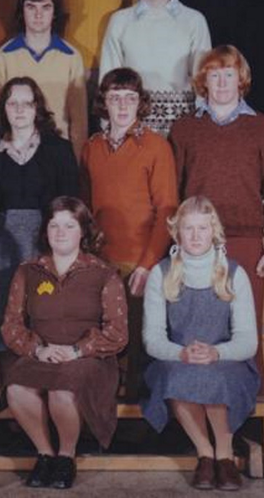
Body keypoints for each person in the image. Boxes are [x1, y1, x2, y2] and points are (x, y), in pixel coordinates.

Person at [169, 44, 264, 395]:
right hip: (196, 244)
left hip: (247, 242)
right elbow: (172, 192)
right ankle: (200, 404)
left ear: (241, 79)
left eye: (229, 74)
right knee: (201, 326)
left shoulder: (263, 128)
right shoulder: (186, 129)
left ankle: (251, 404)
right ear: (204, 82)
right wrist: (175, 244)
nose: (221, 82)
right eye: (214, 75)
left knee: (245, 329)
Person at [1, 196, 128, 490]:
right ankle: (44, 453)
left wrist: (77, 350)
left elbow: (118, 332)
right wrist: (38, 350)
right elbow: (11, 325)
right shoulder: (27, 271)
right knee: (17, 389)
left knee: (62, 390)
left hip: (89, 359)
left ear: (83, 231)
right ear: (45, 230)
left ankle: (65, 457)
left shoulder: (104, 273)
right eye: (54, 225)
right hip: (40, 354)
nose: (60, 232)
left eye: (69, 226)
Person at [141, 196, 259, 492]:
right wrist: (180, 352)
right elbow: (152, 339)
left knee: (216, 376)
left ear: (213, 231)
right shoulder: (161, 273)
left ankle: (225, 455)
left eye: (202, 228)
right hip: (177, 357)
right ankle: (205, 453)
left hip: (225, 359)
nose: (195, 236)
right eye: (188, 228)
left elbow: (247, 341)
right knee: (178, 375)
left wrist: (217, 352)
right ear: (177, 232)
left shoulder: (234, 273)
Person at [80, 67, 178, 398]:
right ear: (103, 103)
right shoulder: (92, 147)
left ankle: (141, 425)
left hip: (140, 264)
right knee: (102, 340)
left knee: (139, 344)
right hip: (101, 264)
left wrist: (147, 265)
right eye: (115, 98)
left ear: (141, 103)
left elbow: (167, 210)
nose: (123, 106)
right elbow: (86, 209)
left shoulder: (156, 147)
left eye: (130, 98)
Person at [0, 77, 79, 351]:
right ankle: (10, 384)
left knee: (44, 309)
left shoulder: (59, 149)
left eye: (27, 103)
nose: (19, 110)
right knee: (6, 314)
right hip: (1, 247)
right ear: (3, 108)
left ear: (37, 108)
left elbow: (71, 203)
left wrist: (62, 249)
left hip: (47, 242)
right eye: (12, 103)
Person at [100, 0, 212, 136]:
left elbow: (203, 79)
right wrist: (108, 127)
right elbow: (108, 78)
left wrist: (202, 129)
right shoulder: (120, 21)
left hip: (182, 125)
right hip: (132, 124)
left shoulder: (194, 20)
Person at [0, 0, 88, 155]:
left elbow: (79, 121)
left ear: (55, 12)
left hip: (58, 151)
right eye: (31, 7)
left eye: (46, 7)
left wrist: (77, 164)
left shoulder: (71, 57)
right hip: (16, 152)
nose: (38, 14)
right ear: (22, 11)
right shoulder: (4, 56)